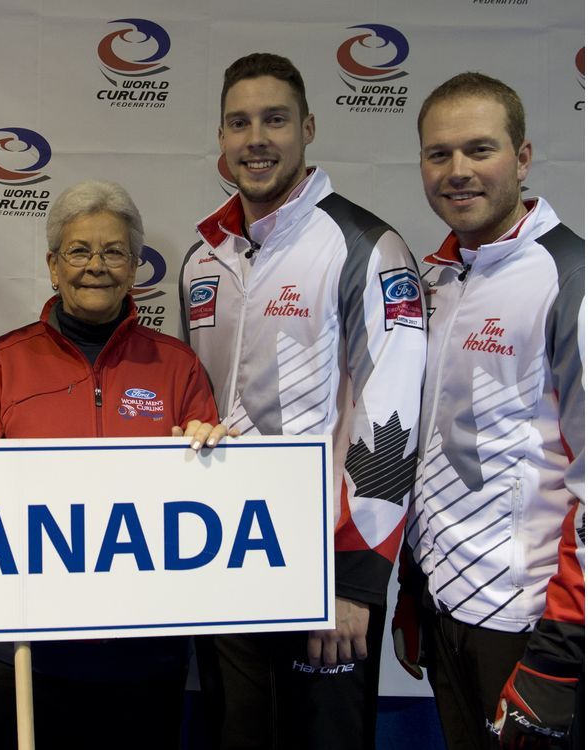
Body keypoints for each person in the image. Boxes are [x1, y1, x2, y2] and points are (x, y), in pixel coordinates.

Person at [0, 179, 228, 749]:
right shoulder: (2, 363)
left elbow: (212, 500)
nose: (96, 266)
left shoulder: (177, 367)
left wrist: (214, 455)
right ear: (53, 266)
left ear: (136, 267)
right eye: (79, 251)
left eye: (114, 252)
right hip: (21, 651)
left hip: (143, 655)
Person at [178, 53, 427, 749]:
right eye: (240, 122)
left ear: (309, 128)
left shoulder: (365, 246)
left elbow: (393, 418)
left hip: (324, 570)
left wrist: (354, 579)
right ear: (223, 140)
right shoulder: (204, 259)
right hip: (221, 558)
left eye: (276, 119)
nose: (257, 138)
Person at [393, 71, 584, 750]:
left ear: (524, 157)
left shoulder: (572, 277)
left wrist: (562, 654)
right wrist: (415, 586)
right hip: (447, 608)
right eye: (438, 154)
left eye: (480, 150)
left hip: (531, 625)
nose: (458, 171)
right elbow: (435, 447)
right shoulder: (436, 279)